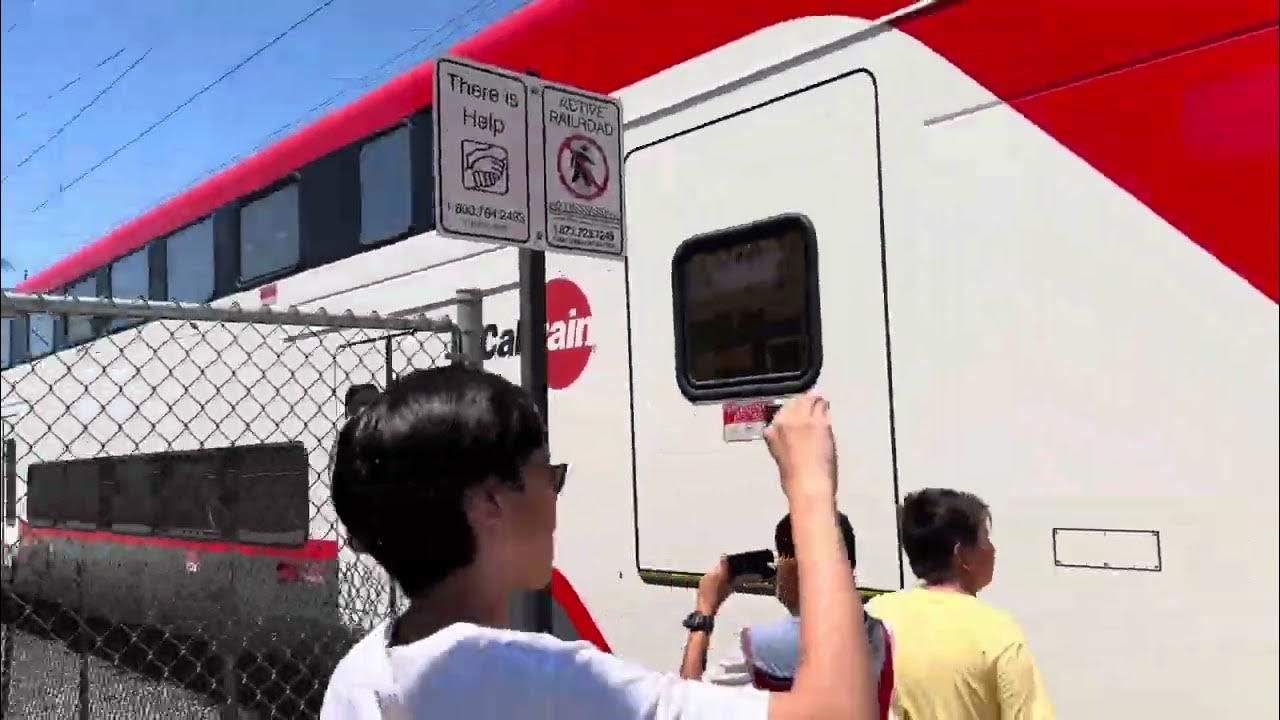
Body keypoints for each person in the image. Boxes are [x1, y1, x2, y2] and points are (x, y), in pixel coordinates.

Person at [319, 365, 879, 719]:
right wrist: (809, 488)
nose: (557, 496)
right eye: (547, 474)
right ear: (488, 503)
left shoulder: (360, 674)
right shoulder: (535, 680)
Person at [678, 513, 894, 719]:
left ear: (796, 565)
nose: (776, 569)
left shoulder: (759, 646)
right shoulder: (882, 634)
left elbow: (686, 706)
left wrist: (705, 609)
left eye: (779, 556)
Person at [866, 488, 1055, 719]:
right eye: (985, 538)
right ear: (962, 556)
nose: (992, 550)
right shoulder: (996, 630)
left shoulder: (875, 616)